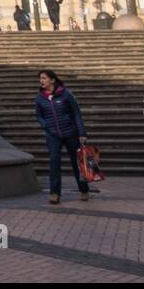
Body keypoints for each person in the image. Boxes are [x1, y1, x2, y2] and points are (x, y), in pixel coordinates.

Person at [35, 69, 89, 203]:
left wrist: (81, 132)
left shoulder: (66, 94)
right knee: (54, 163)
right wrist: (45, 125)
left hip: (71, 133)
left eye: (44, 78)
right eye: (40, 79)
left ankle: (83, 189)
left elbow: (77, 114)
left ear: (52, 80)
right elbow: (39, 115)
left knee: (77, 163)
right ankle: (54, 194)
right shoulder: (40, 98)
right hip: (53, 135)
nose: (41, 81)